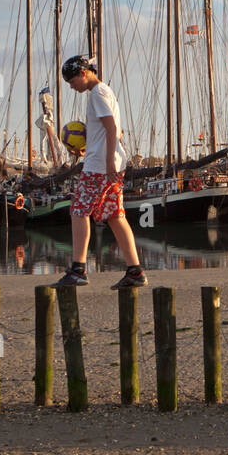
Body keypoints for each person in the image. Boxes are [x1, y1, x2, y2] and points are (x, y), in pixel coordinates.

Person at [55, 55, 146, 289]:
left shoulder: (97, 94)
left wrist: (107, 163)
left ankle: (78, 269)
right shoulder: (105, 91)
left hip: (100, 165)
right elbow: (113, 129)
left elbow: (112, 127)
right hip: (110, 160)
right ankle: (134, 271)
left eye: (72, 80)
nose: (71, 86)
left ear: (84, 73)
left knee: (78, 209)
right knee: (115, 215)